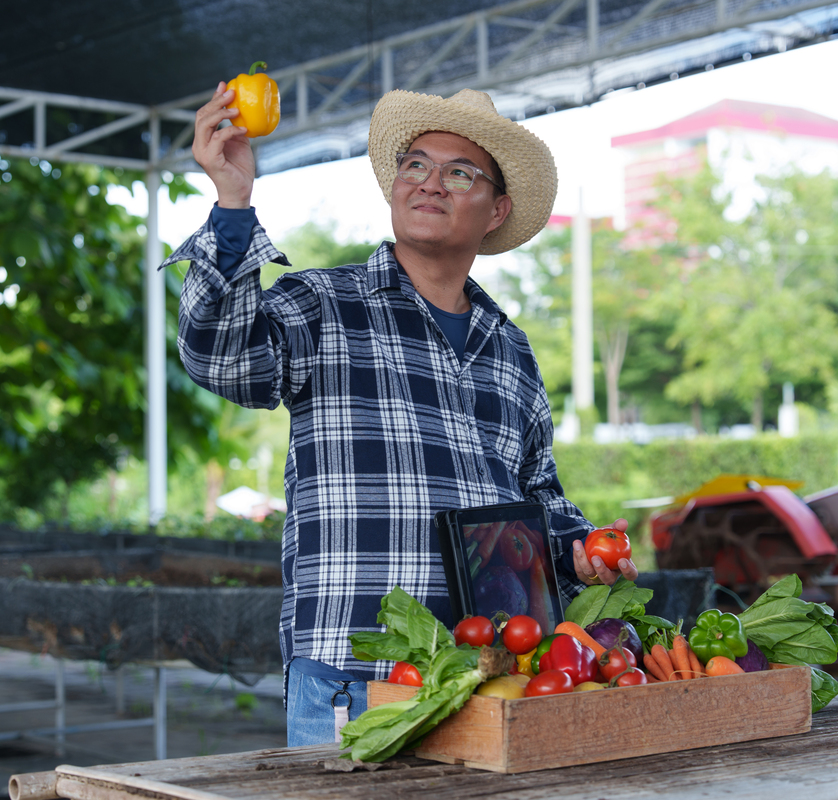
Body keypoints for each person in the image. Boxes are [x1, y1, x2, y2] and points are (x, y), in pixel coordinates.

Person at [162, 84, 638, 746]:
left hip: (492, 676)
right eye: (415, 164)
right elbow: (224, 361)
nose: (429, 183)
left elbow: (536, 500)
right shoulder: (325, 304)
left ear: (496, 209)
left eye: (459, 172)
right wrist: (234, 201)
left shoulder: (510, 349)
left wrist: (581, 548)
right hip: (358, 678)